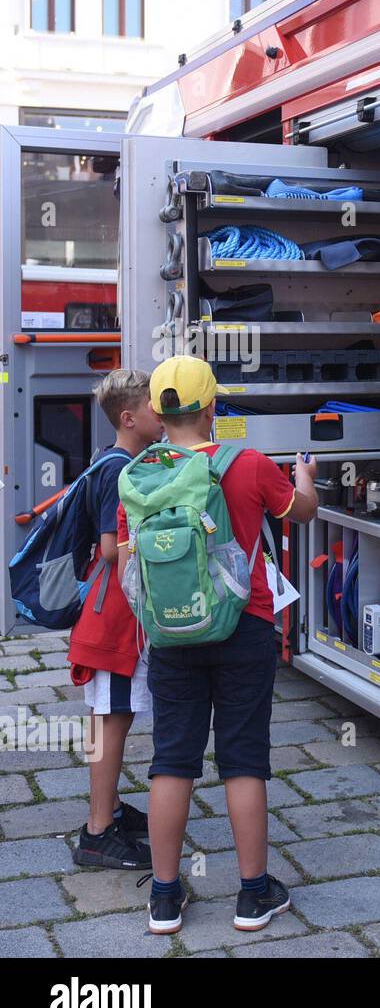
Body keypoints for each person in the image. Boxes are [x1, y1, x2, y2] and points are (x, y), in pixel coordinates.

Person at [117, 355, 318, 934]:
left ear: (156, 412)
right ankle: (253, 895)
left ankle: (163, 897)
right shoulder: (249, 464)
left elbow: (131, 571)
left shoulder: (139, 475)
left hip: (171, 635)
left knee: (171, 762)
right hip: (245, 627)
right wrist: (304, 477)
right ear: (213, 408)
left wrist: (165, 623)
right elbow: (302, 512)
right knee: (244, 757)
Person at [69, 370, 164, 871]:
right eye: (154, 405)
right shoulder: (119, 470)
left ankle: (109, 812)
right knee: (110, 717)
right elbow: (111, 548)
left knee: (112, 716)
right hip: (113, 618)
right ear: (129, 418)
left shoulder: (114, 461)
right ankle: (97, 832)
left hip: (111, 614)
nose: (162, 412)